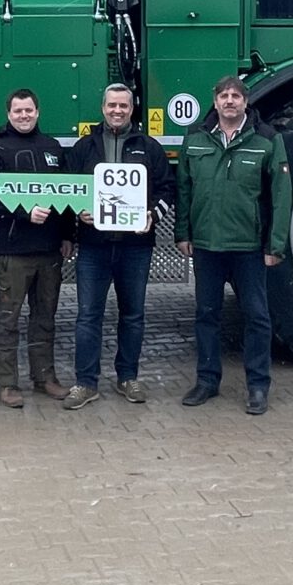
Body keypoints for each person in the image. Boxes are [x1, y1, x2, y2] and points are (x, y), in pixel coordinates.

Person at [175, 76, 292, 415]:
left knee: (256, 316)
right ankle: (207, 381)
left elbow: (281, 196)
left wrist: (275, 245)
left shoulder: (267, 140)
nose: (229, 101)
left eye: (235, 96)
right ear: (215, 101)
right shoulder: (195, 138)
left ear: (245, 101)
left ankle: (258, 386)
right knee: (206, 315)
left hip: (248, 247)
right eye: (224, 96)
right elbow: (184, 188)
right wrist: (182, 233)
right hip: (207, 245)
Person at [63, 83, 174, 409]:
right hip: (94, 247)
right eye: (112, 105)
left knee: (133, 315)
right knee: (88, 316)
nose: (117, 110)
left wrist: (154, 214)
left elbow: (167, 189)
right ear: (103, 108)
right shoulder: (84, 147)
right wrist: (77, 213)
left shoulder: (149, 147)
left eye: (123, 106)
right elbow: (70, 187)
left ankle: (128, 377)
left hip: (135, 247)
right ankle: (86, 383)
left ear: (131, 109)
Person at [0, 89, 73, 408]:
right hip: (12, 249)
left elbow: (65, 195)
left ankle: (44, 377)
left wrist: (67, 234)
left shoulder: (52, 148)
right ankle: (7, 383)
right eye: (17, 111)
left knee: (45, 317)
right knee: (9, 319)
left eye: (28, 110)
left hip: (49, 249)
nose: (24, 115)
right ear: (8, 114)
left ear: (38, 111)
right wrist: (24, 212)